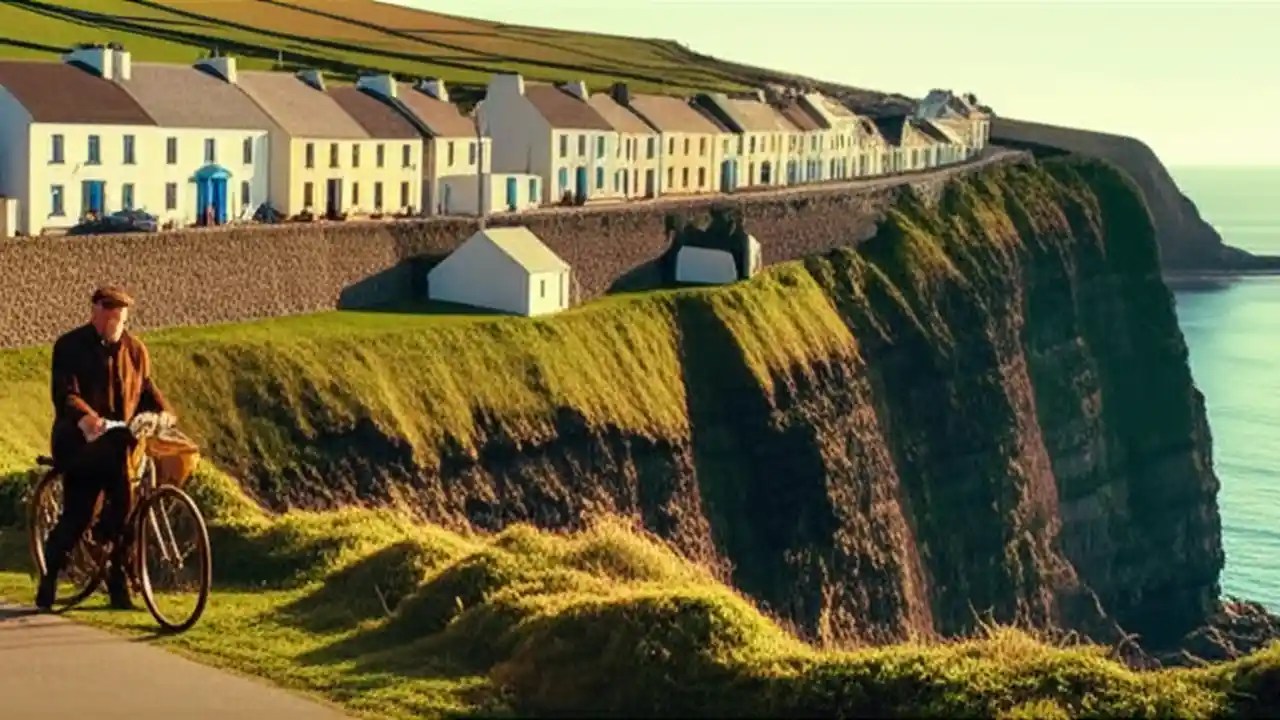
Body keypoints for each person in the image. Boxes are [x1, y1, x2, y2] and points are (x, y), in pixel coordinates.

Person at [36, 285, 174, 612]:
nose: (117, 325)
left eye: (122, 318)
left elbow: (147, 390)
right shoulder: (69, 347)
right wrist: (86, 418)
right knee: (78, 514)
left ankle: (117, 583)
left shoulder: (136, 351)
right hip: (79, 444)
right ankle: (51, 573)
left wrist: (164, 413)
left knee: (125, 512)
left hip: (120, 448)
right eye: (111, 316)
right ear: (95, 311)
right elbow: (65, 393)